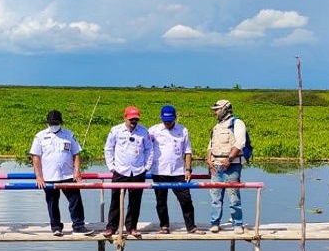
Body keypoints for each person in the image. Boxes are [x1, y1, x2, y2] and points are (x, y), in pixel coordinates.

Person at [30, 110, 91, 236]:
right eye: (51, 123)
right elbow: (36, 157)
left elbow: (76, 154)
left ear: (60, 123)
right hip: (49, 176)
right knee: (52, 202)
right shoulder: (40, 136)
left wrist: (77, 172)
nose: (54, 125)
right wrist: (39, 176)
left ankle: (79, 226)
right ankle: (56, 227)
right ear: (47, 123)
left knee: (75, 200)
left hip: (68, 175)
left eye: (56, 123)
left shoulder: (69, 135)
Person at [148, 105, 204, 235]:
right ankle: (164, 226)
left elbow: (188, 151)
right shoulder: (153, 131)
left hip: (178, 171)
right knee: (161, 201)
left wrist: (188, 169)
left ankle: (191, 227)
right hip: (159, 171)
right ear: (161, 118)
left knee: (186, 199)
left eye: (170, 120)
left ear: (175, 117)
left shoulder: (183, 130)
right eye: (165, 120)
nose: (168, 123)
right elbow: (145, 147)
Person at [103, 106, 153, 238]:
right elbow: (108, 148)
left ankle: (131, 227)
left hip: (137, 172)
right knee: (115, 201)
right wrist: (111, 166)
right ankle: (111, 227)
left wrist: (146, 167)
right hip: (120, 171)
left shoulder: (143, 132)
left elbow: (149, 150)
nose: (133, 121)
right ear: (125, 117)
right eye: (131, 119)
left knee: (135, 201)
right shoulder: (116, 130)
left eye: (136, 119)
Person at [206, 99, 246, 234]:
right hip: (215, 166)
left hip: (232, 166)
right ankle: (215, 223)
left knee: (234, 197)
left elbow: (240, 143)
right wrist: (208, 159)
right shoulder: (216, 126)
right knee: (215, 197)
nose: (215, 113)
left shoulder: (237, 123)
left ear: (225, 109)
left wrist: (229, 159)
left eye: (217, 110)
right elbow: (210, 145)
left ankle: (237, 224)